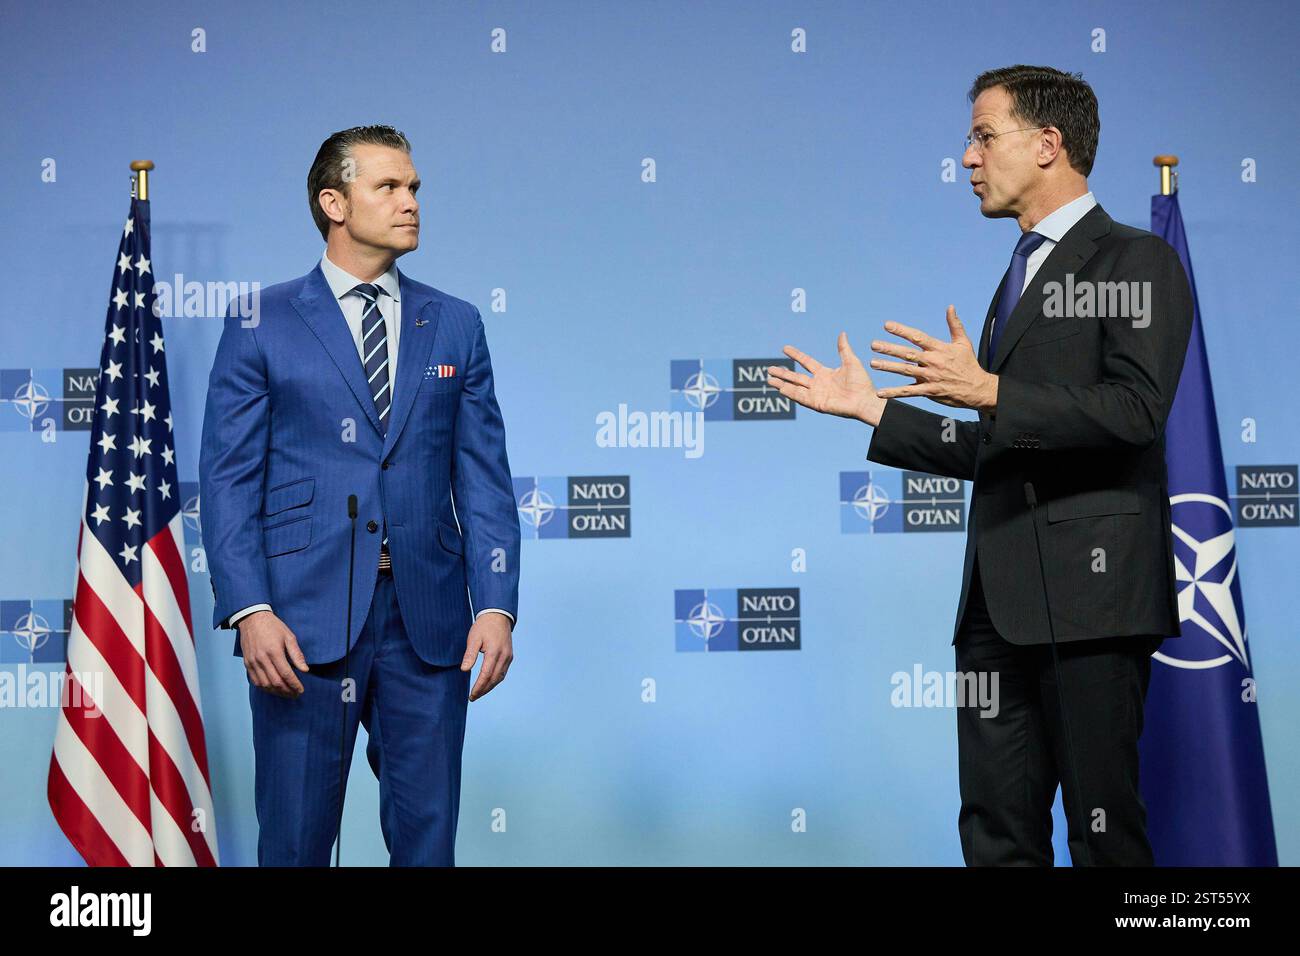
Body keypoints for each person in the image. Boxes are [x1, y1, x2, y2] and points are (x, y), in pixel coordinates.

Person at [768, 66, 1192, 865]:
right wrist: (876, 413)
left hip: (1092, 604)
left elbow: (1135, 414)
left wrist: (994, 387)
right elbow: (1002, 445)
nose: (967, 157)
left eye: (983, 135)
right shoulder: (1017, 276)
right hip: (993, 613)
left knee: (1106, 837)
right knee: (994, 837)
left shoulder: (1134, 261)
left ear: (1047, 144)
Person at [199, 125, 520, 866]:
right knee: (296, 843)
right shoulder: (260, 321)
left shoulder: (458, 324)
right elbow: (228, 479)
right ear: (334, 202)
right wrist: (251, 611)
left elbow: (484, 479)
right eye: (390, 187)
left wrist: (497, 604)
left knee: (427, 844)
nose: (411, 202)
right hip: (300, 626)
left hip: (428, 622)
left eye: (414, 188)